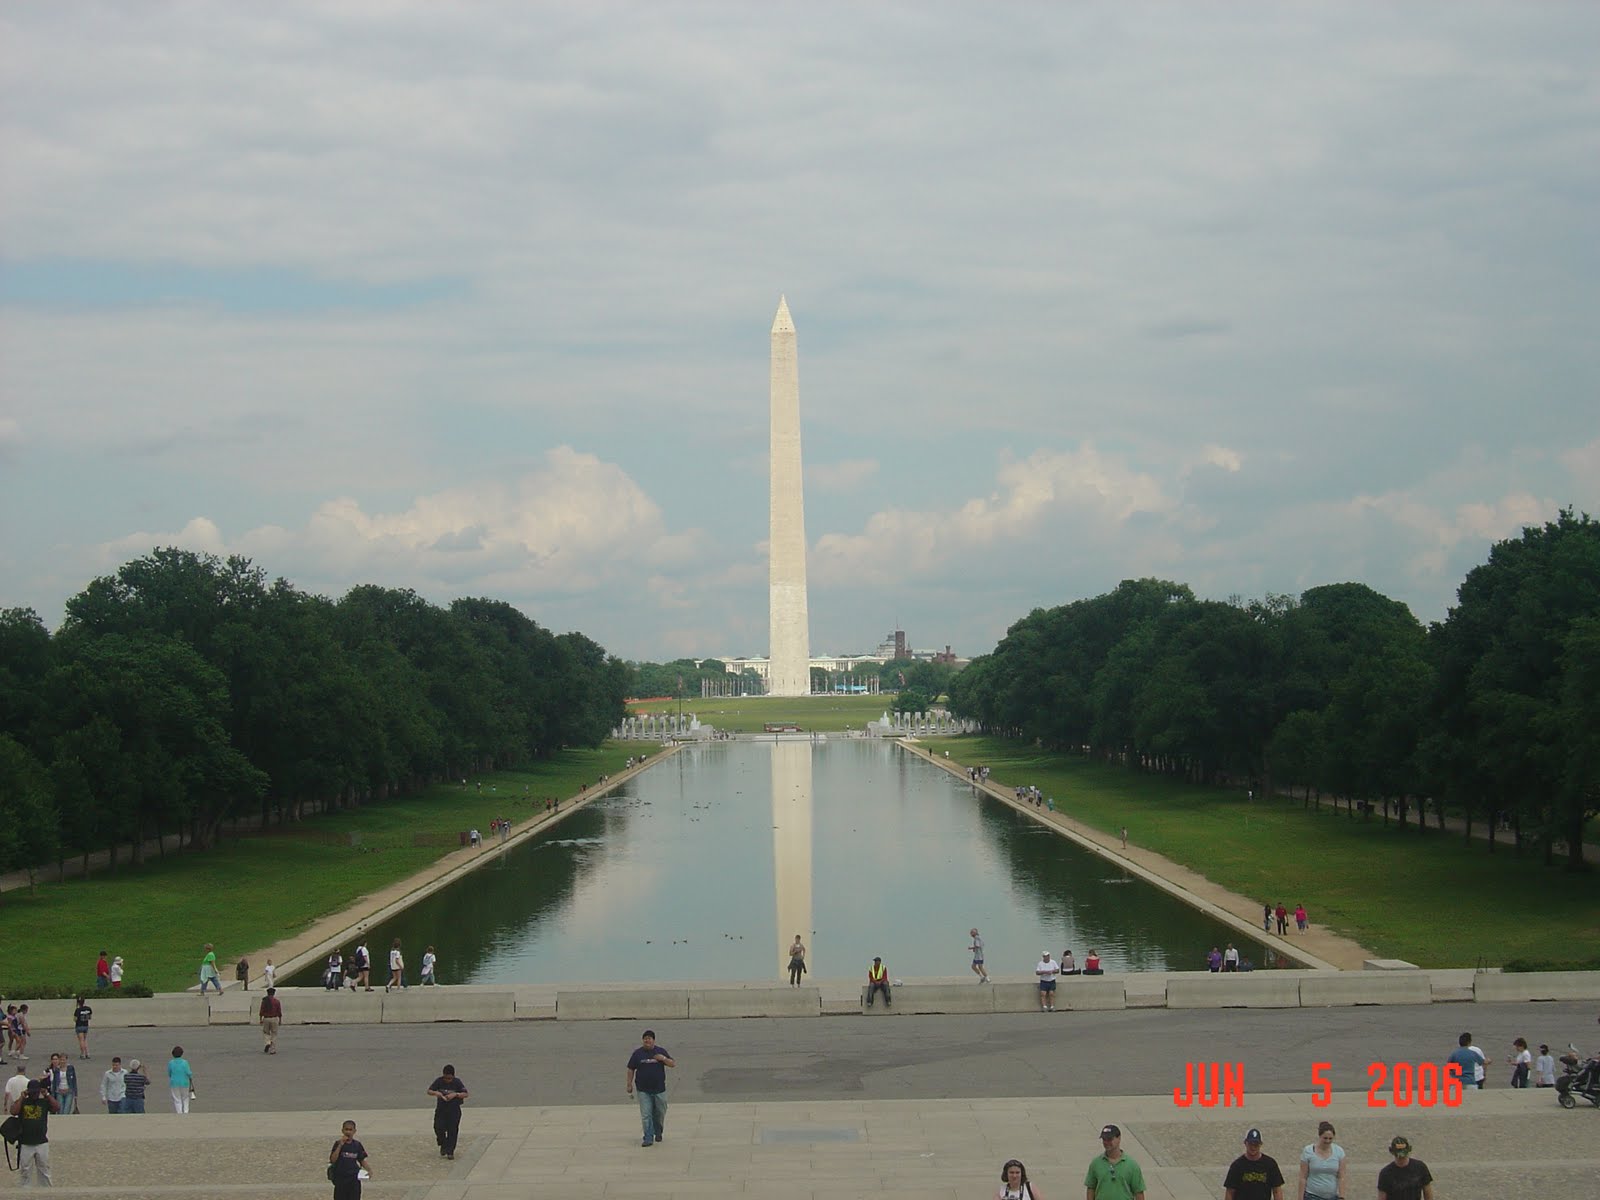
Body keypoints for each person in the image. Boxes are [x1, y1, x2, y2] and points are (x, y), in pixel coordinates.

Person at [625, 1029, 675, 1147]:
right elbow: (630, 1068)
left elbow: (672, 1064)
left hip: (659, 1089)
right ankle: (648, 1137)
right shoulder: (637, 1054)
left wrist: (662, 1058)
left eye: (649, 1039)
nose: (647, 1041)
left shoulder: (660, 1051)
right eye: (645, 1039)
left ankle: (658, 1131)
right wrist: (629, 1084)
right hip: (643, 1090)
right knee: (646, 1114)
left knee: (660, 1112)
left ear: (653, 1040)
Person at [8, 1073, 59, 1187]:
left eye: (36, 1092)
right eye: (32, 1092)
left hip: (41, 1141)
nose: (34, 1094)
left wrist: (47, 1095)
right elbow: (14, 1111)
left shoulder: (44, 1102)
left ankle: (46, 1190)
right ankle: (25, 1191)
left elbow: (56, 1107)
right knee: (25, 1170)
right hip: (26, 1142)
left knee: (44, 1168)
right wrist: (22, 1097)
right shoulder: (23, 1102)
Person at [1084, 1123, 1145, 1200]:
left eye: (1109, 1139)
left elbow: (1138, 1192)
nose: (1106, 1142)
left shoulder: (1132, 1165)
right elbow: (1091, 1188)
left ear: (1119, 1138)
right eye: (1104, 1139)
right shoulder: (1096, 1164)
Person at [1223, 1127, 1284, 1200]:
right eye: (1250, 1144)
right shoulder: (1237, 1166)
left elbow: (1277, 1190)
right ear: (1245, 1143)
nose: (1253, 1147)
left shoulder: (1270, 1164)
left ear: (1261, 1144)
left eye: (1256, 1144)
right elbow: (1230, 1192)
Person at [427, 1063, 469, 1160]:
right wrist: (436, 1093)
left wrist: (455, 1094)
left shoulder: (457, 1082)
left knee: (452, 1131)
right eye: (446, 1078)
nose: (447, 1080)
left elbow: (465, 1094)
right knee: (438, 1127)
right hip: (441, 1110)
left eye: (449, 1078)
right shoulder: (439, 1081)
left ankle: (450, 1151)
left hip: (454, 1110)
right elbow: (429, 1091)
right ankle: (443, 1144)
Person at [1297, 1120, 1346, 1200]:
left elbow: (1341, 1177)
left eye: (1330, 1138)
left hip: (1332, 1196)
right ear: (1319, 1136)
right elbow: (1303, 1177)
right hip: (1312, 1195)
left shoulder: (1339, 1152)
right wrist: (1300, 1197)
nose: (1327, 1141)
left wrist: (1342, 1196)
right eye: (1325, 1138)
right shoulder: (1308, 1151)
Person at [1376, 1135, 1432, 1200]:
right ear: (1392, 1152)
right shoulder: (1385, 1173)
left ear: (1409, 1150)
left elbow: (1428, 1192)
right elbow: (1382, 1197)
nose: (1401, 1159)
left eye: (1403, 1156)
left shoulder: (1420, 1168)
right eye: (1398, 1156)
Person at [328, 1118, 372, 1200]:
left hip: (353, 1179)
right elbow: (332, 1160)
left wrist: (369, 1170)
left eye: (350, 1130)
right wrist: (340, 1145)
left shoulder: (357, 1145)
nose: (348, 1132)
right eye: (346, 1129)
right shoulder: (337, 1143)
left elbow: (361, 1160)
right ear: (342, 1130)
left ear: (354, 1131)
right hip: (341, 1178)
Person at [167, 1045, 195, 1113]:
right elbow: (188, 1072)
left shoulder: (171, 1063)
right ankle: (185, 1112)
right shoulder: (185, 1062)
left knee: (177, 1099)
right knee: (185, 1098)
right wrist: (191, 1077)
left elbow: (169, 1073)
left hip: (174, 1083)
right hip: (184, 1082)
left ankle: (179, 1112)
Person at [258, 987, 283, 1054]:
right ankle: (272, 1049)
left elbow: (261, 1010)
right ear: (274, 993)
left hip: (266, 1018)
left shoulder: (264, 1001)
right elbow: (279, 1011)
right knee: (274, 1034)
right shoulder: (277, 1001)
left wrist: (260, 1019)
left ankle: (267, 1042)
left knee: (266, 1032)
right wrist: (280, 1020)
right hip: (274, 1018)